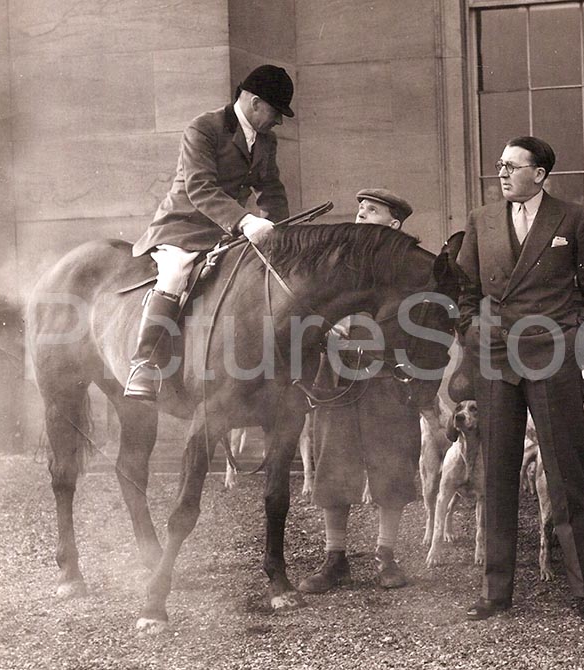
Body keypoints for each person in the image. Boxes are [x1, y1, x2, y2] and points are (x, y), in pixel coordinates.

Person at [456, 136, 584, 621]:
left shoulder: (573, 218)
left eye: (511, 166)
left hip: (551, 361)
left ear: (540, 174)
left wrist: (570, 347)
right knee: (497, 474)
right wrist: (470, 332)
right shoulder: (481, 221)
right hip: (496, 361)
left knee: (566, 473)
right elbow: (462, 290)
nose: (500, 173)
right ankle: (495, 591)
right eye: (499, 165)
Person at [124, 64, 294, 401]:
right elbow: (200, 188)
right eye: (276, 112)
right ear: (256, 102)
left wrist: (283, 234)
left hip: (226, 233)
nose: (278, 121)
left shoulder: (266, 140)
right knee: (173, 276)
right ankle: (144, 363)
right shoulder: (204, 128)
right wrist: (246, 221)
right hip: (183, 228)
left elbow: (271, 190)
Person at [298, 188, 428, 593]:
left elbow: (420, 318)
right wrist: (324, 321)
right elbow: (303, 304)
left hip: (387, 380)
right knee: (333, 468)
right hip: (336, 378)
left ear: (393, 224)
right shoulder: (334, 263)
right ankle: (335, 559)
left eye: (370, 211)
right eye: (358, 211)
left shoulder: (410, 266)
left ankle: (386, 555)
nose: (360, 216)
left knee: (391, 470)